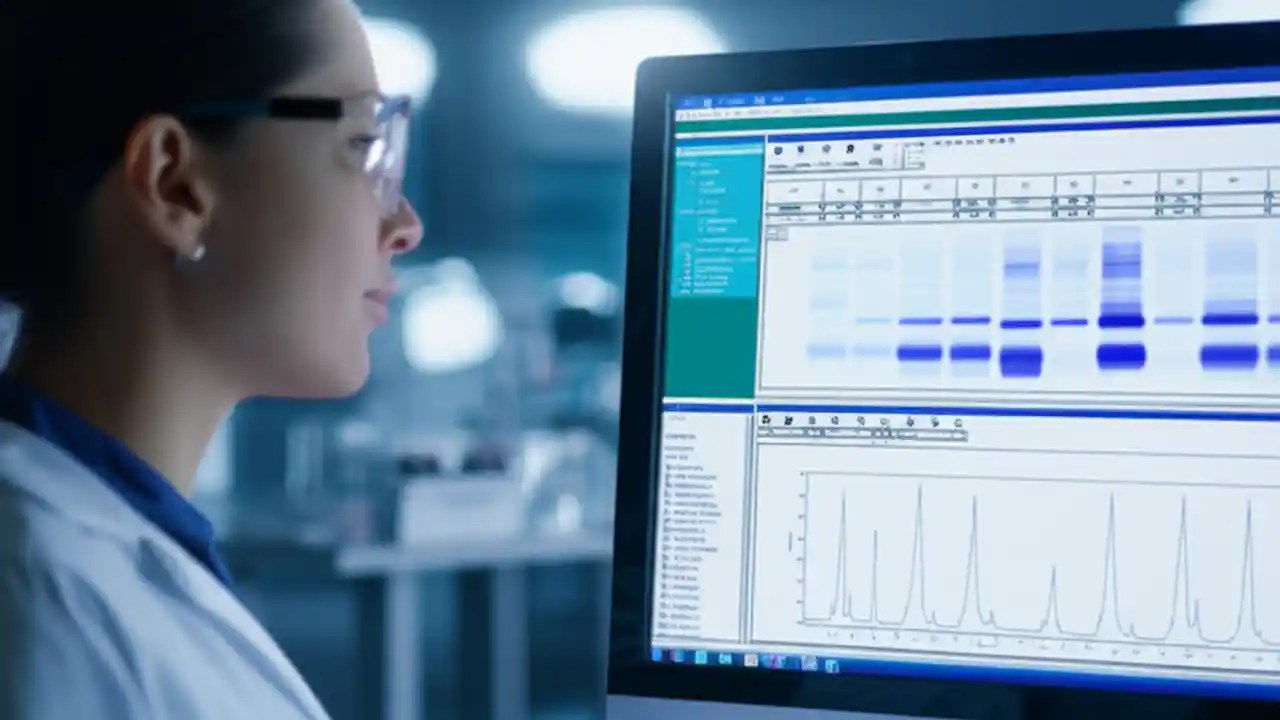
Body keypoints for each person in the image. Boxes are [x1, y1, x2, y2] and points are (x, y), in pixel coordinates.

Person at [1, 1, 422, 717]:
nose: (405, 225)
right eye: (359, 144)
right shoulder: (44, 608)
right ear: (176, 184)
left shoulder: (92, 548)